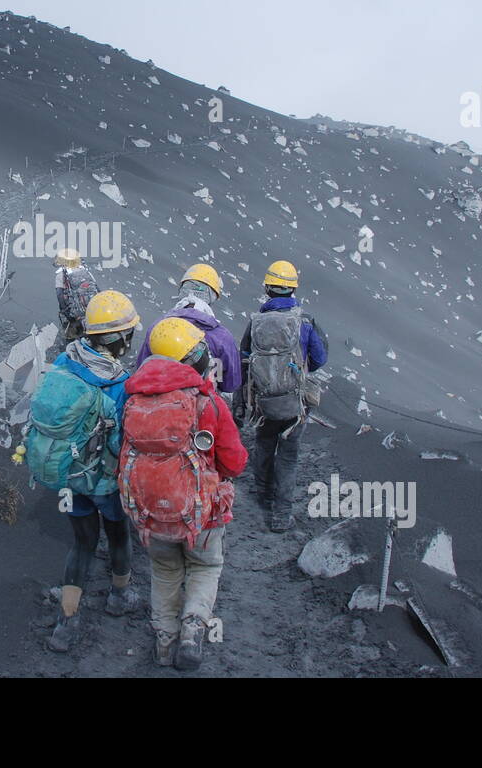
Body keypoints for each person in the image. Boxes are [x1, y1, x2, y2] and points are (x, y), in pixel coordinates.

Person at [118, 318, 247, 670]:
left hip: (150, 514)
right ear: (195, 358)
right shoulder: (210, 404)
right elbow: (234, 463)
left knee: (164, 572)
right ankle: (193, 628)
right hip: (201, 514)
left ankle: (163, 642)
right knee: (206, 567)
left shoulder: (132, 402)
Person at [22, 290, 144, 653]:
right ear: (121, 338)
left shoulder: (63, 361)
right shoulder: (119, 383)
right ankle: (119, 595)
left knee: (82, 542)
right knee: (118, 536)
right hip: (103, 481)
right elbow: (121, 441)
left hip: (67, 475)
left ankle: (66, 622)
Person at [239, 260, 328, 533]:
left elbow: (244, 356)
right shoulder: (305, 322)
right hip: (294, 402)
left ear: (267, 288)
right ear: (293, 289)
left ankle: (263, 494)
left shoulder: (256, 322)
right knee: (288, 456)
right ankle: (281, 513)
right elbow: (319, 359)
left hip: (264, 400)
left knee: (264, 444)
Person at [135, 263, 242, 396]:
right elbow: (230, 384)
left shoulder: (158, 326)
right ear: (213, 295)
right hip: (201, 405)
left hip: (156, 401)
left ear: (183, 290)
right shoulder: (222, 337)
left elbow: (141, 368)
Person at [53, 248, 98, 344]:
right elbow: (96, 288)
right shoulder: (85, 271)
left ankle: (71, 351)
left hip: (74, 313)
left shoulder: (61, 275)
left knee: (70, 336)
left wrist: (67, 313)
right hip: (91, 310)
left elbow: (60, 296)